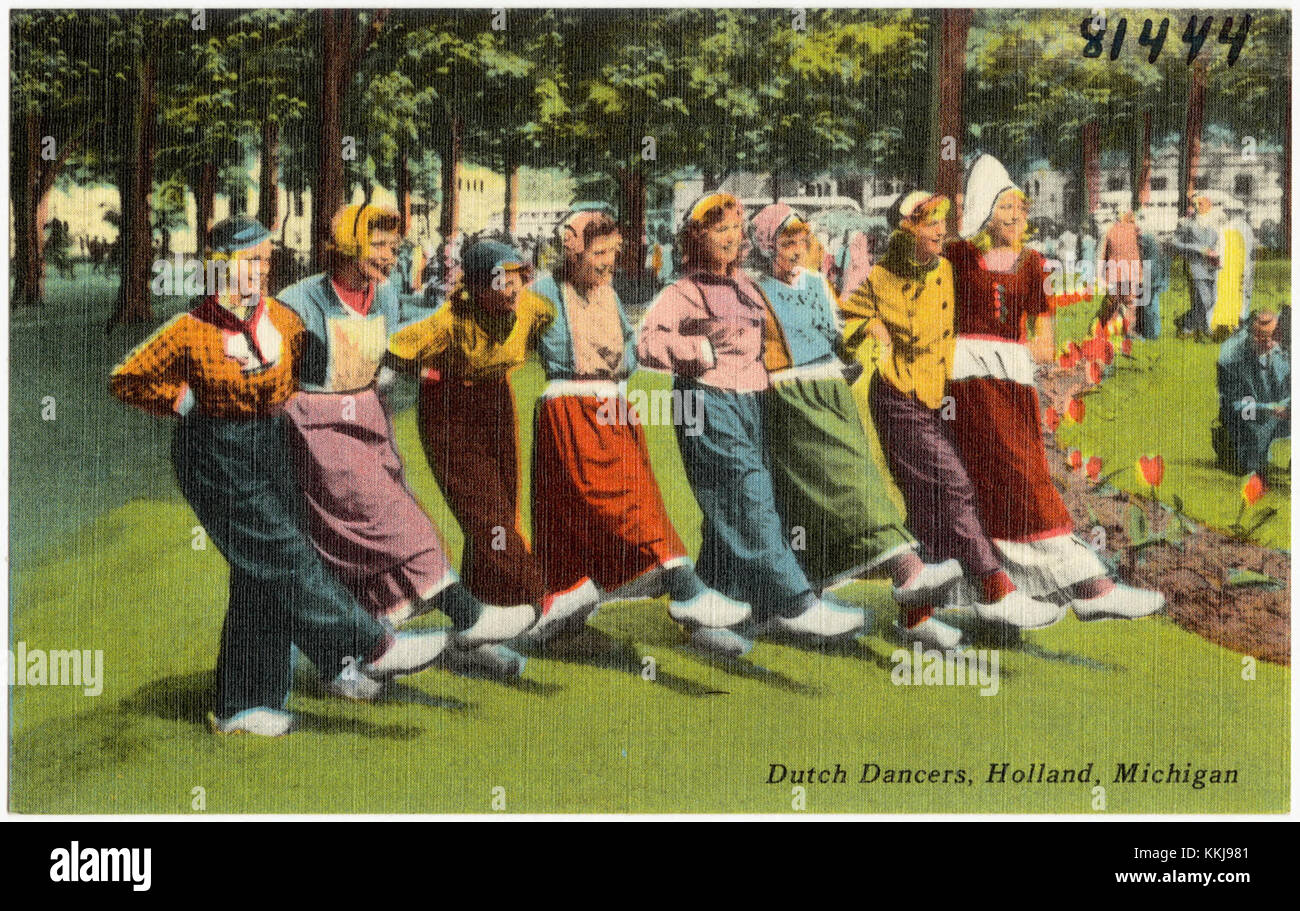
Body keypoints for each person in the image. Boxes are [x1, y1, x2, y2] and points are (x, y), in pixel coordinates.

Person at [108, 216, 448, 737]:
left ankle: (251, 701)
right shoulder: (189, 330)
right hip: (216, 451)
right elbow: (128, 377)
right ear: (218, 268)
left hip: (274, 440)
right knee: (281, 554)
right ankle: (374, 646)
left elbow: (313, 367)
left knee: (265, 570)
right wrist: (185, 400)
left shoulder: (284, 323)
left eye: (265, 263)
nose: (258, 274)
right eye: (248, 263)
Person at [276, 204, 536, 654]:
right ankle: (468, 617)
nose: (389, 255)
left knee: (363, 545)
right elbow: (278, 374)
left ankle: (360, 652)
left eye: (393, 247)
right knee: (399, 524)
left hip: (371, 422)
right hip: (319, 430)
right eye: (378, 245)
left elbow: (399, 354)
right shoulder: (299, 302)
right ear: (348, 244)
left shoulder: (388, 294)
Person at [637, 193, 867, 643]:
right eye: (718, 229)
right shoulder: (682, 292)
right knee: (748, 492)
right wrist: (696, 352)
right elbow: (646, 343)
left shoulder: (746, 286)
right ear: (695, 238)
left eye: (734, 228)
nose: (730, 237)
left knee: (729, 506)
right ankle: (794, 602)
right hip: (703, 402)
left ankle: (712, 609)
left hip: (752, 401)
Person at [945, 154, 1165, 625]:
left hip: (1012, 381)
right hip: (965, 380)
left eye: (1021, 208)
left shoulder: (1033, 264)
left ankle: (1067, 587)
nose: (1017, 216)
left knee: (1022, 476)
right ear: (985, 212)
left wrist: (1040, 369)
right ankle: (1086, 586)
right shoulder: (958, 257)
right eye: (1006, 208)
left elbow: (1043, 344)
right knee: (996, 480)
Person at [843, 190, 1057, 642]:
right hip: (899, 398)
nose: (940, 229)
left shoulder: (945, 269)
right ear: (906, 232)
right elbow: (848, 318)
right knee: (954, 486)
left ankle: (914, 619)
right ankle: (997, 589)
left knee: (927, 507)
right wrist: (873, 329)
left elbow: (992, 278)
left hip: (943, 398)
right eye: (930, 224)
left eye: (942, 221)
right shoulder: (880, 278)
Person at [749, 201, 963, 646]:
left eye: (801, 240)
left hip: (833, 395)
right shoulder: (754, 291)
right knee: (852, 490)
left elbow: (836, 333)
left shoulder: (819, 285)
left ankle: (911, 618)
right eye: (786, 241)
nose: (796, 249)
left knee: (823, 501)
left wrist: (862, 339)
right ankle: (909, 573)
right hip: (791, 399)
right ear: (766, 246)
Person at [530, 208, 751, 634]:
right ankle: (684, 589)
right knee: (625, 504)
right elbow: (509, 337)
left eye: (613, 252)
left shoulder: (609, 293)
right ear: (572, 251)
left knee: (603, 504)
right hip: (571, 408)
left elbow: (629, 354)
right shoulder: (542, 293)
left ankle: (566, 593)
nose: (609, 261)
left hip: (613, 408)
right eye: (600, 252)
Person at [389, 240, 601, 644]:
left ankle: (487, 618)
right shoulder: (447, 323)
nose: (510, 291)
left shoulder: (533, 308)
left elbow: (551, 326)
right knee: (487, 517)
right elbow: (393, 353)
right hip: (450, 408)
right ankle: (542, 596)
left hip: (498, 403)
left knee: (503, 507)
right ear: (475, 288)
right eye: (499, 283)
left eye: (516, 280)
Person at [1216, 309, 1290, 478]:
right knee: (1252, 466)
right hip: (1245, 421)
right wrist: (1270, 409)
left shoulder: (1282, 353)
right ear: (1250, 335)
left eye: (1274, 337)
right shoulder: (1230, 359)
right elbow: (1234, 405)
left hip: (1279, 416)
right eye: (1262, 338)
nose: (1269, 344)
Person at [1172, 194, 1221, 340]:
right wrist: (1197, 248)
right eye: (1195, 204)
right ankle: (1190, 324)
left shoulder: (1215, 223)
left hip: (1212, 265)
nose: (1197, 207)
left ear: (1209, 205)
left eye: (1201, 204)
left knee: (1210, 300)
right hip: (1195, 265)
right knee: (1205, 300)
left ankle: (1190, 324)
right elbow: (1176, 243)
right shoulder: (1186, 223)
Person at [1101, 210, 1142, 333]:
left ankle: (1111, 327)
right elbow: (1142, 249)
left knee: (1114, 303)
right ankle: (1128, 329)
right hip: (1131, 272)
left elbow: (1104, 253)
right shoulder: (1135, 230)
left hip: (1114, 273)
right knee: (1130, 303)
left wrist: (1103, 273)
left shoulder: (1111, 230)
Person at [1135, 210, 1168, 340]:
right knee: (1152, 302)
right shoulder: (1152, 236)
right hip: (1156, 272)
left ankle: (1150, 333)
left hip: (1149, 272)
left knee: (1148, 303)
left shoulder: (1145, 238)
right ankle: (1153, 331)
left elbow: (1140, 255)